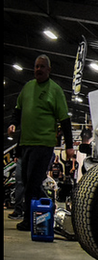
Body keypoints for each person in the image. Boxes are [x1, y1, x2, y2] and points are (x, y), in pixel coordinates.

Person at [8, 55, 75, 232]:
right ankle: (48, 210)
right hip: (25, 143)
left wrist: (69, 146)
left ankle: (30, 220)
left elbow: (64, 120)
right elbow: (18, 109)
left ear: (49, 70)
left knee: (32, 183)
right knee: (27, 182)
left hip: (44, 144)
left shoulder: (55, 90)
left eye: (42, 67)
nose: (38, 69)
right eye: (36, 66)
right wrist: (13, 123)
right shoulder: (28, 87)